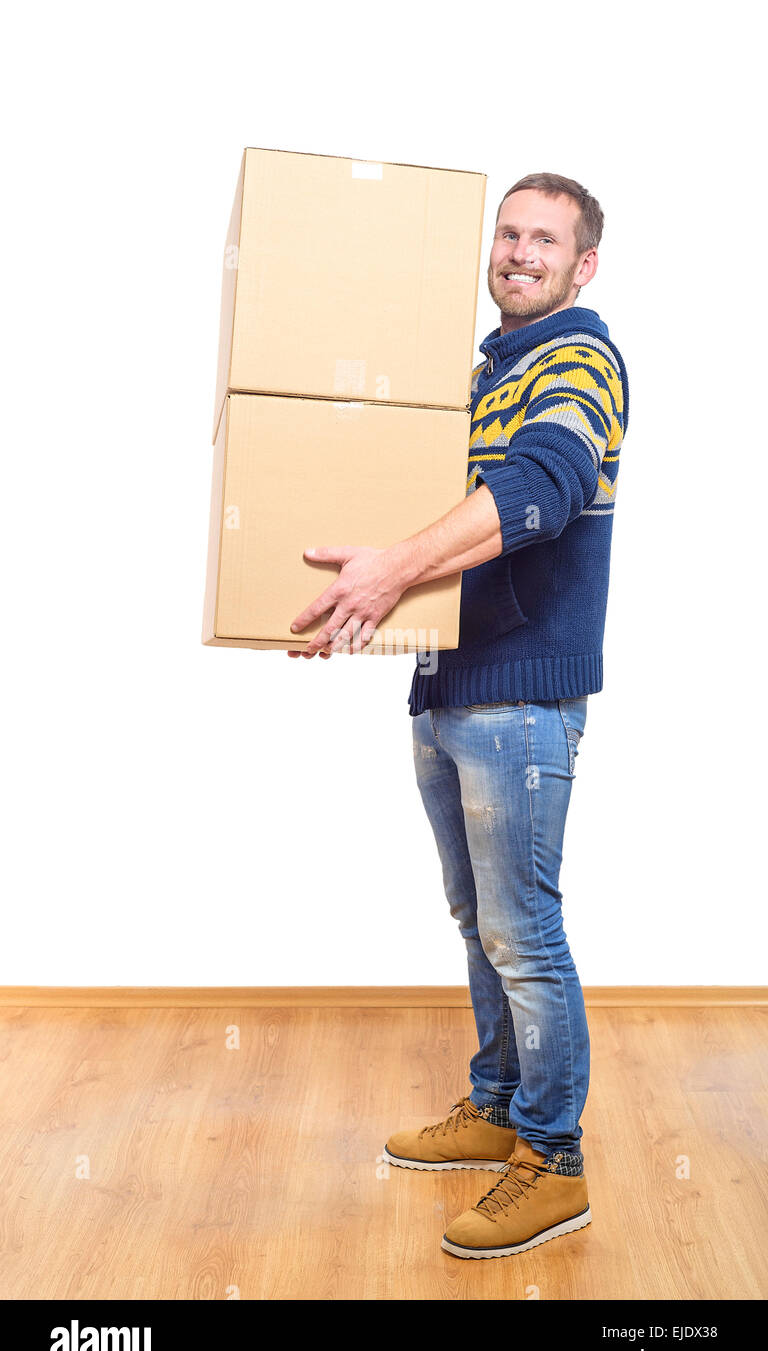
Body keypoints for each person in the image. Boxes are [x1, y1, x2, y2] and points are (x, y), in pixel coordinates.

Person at [288, 172, 629, 1259]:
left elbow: (546, 485)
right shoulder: (490, 371)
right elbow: (434, 540)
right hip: (448, 682)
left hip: (523, 692)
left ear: (582, 265)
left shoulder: (579, 356)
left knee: (524, 933)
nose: (519, 251)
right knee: (477, 919)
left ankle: (553, 1159)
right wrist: (357, 599)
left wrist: (395, 566)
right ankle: (495, 1103)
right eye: (509, 232)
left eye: (546, 239)